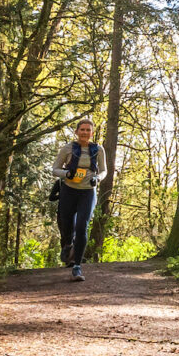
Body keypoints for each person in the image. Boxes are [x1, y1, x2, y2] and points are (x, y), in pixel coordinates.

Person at [51, 118, 105, 282]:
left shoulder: (98, 149)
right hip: (68, 191)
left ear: (92, 133)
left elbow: (104, 171)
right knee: (67, 226)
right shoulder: (67, 148)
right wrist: (66, 174)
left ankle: (77, 266)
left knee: (82, 226)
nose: (85, 133)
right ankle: (68, 245)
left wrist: (97, 178)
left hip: (88, 192)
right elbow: (55, 169)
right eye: (82, 130)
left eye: (88, 130)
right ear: (76, 132)